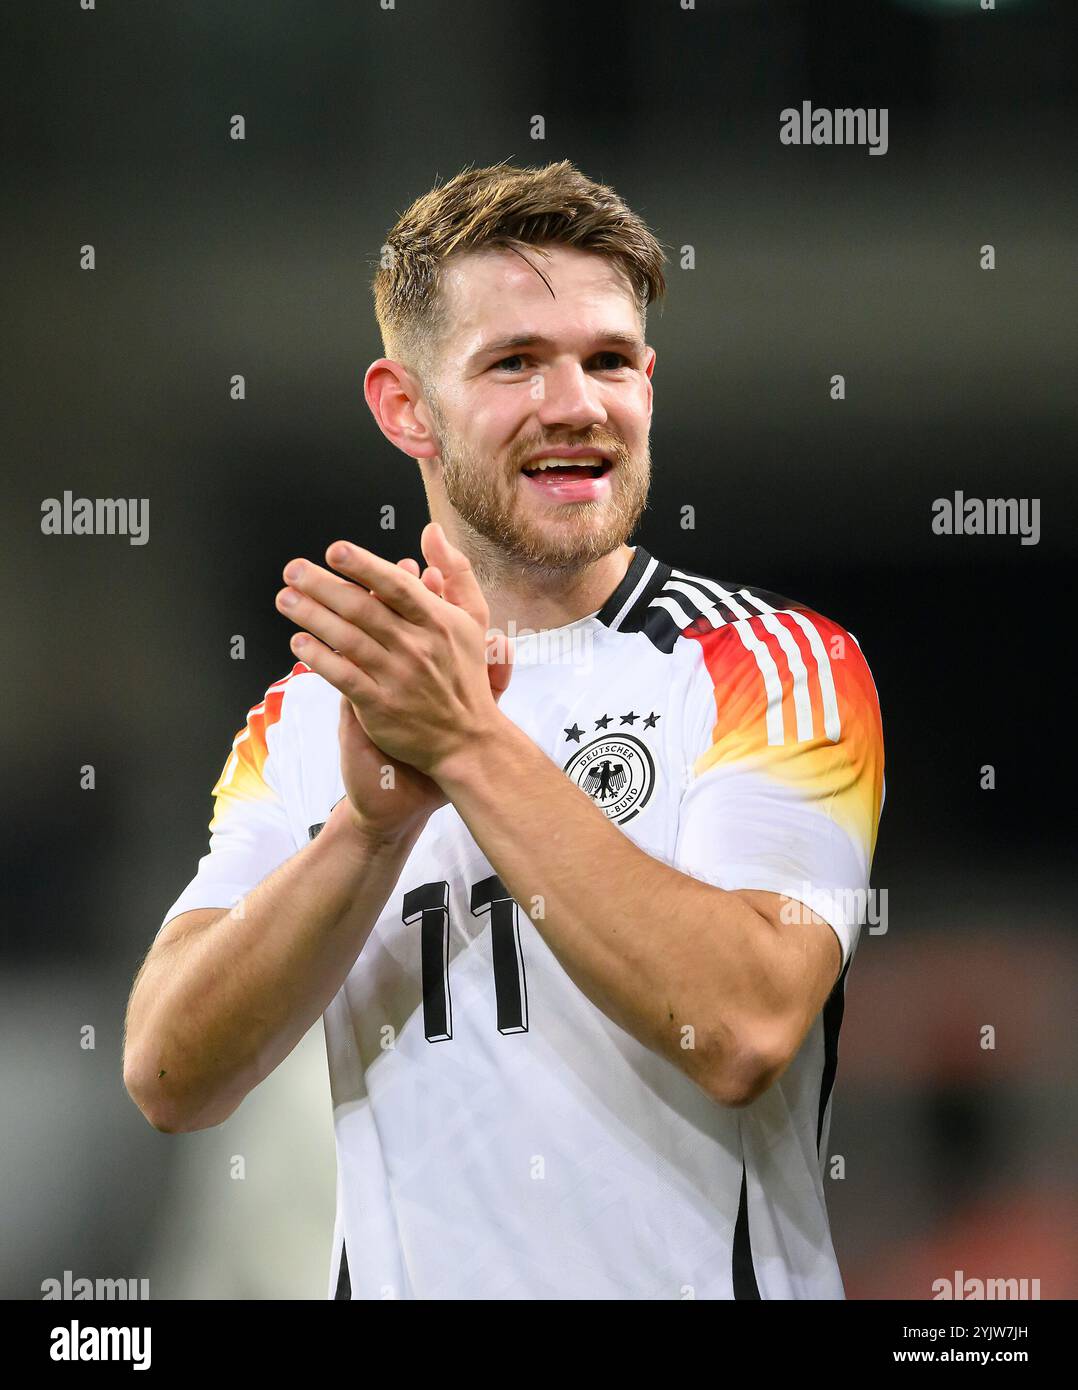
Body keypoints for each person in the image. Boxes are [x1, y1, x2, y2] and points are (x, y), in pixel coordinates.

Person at [123, 159, 885, 1300]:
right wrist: (366, 833)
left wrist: (468, 748)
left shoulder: (771, 665)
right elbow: (169, 1073)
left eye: (609, 361)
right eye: (517, 361)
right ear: (404, 407)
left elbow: (743, 1023)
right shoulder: (312, 713)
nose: (576, 402)